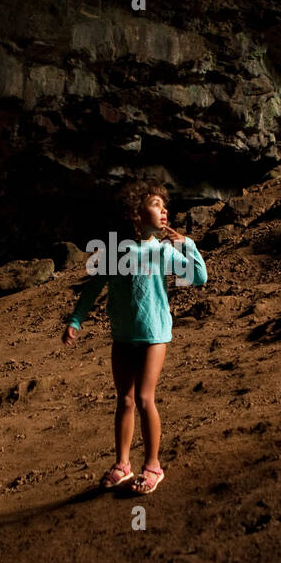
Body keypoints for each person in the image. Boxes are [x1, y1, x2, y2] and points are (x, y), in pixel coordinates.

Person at [61, 180, 208, 494]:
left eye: (164, 205)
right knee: (124, 400)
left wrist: (187, 244)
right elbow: (92, 288)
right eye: (156, 204)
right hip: (123, 335)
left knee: (143, 398)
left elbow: (199, 277)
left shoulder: (162, 251)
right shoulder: (116, 252)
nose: (164, 209)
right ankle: (122, 464)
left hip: (155, 333)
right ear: (134, 212)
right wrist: (76, 319)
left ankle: (153, 465)